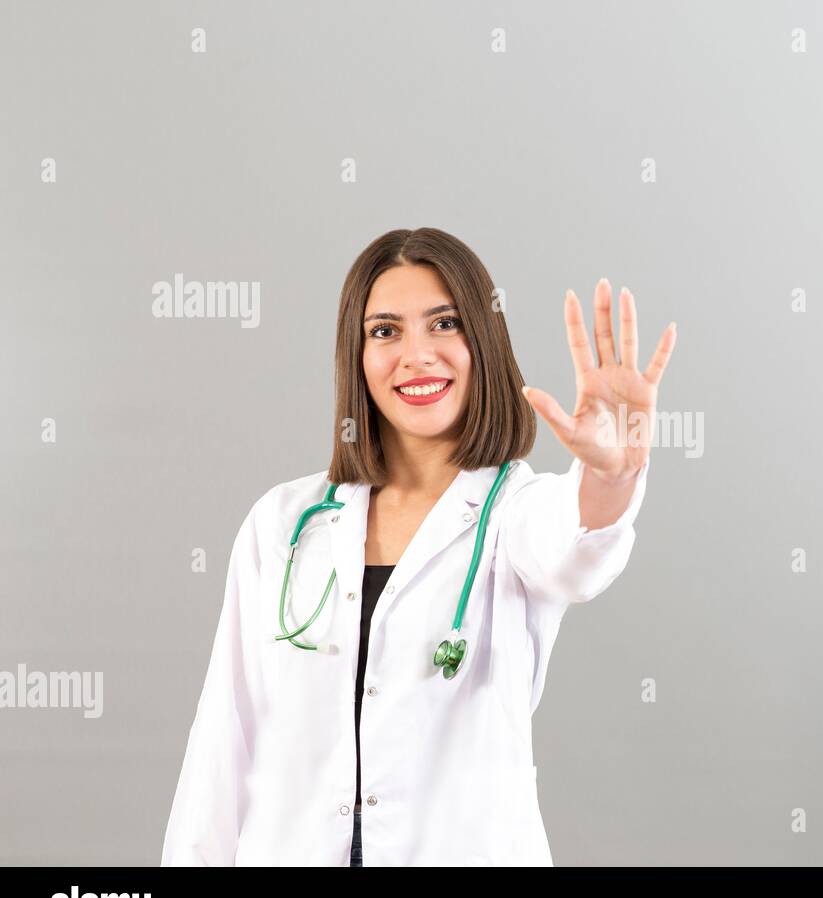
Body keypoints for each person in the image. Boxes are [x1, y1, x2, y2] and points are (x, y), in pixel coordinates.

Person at [160, 227, 676, 865]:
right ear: (358, 354)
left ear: (482, 345)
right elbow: (224, 736)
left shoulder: (514, 513)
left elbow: (576, 550)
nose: (416, 355)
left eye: (444, 324)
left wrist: (610, 476)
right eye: (385, 331)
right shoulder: (286, 523)